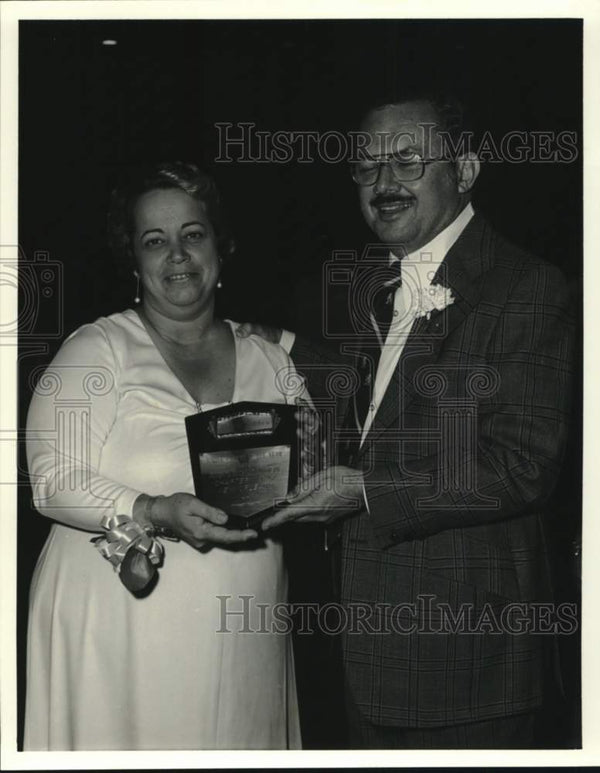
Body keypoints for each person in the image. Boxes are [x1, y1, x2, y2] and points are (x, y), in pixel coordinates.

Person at [240, 94, 575, 748]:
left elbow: (522, 464)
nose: (383, 183)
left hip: (466, 668)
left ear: (467, 170)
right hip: (369, 656)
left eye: (407, 160)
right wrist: (277, 343)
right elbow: (383, 395)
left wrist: (366, 490)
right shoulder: (379, 284)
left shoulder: (528, 287)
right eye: (366, 167)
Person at [24, 162, 304, 750]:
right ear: (133, 259)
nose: (177, 254)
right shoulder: (97, 348)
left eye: (193, 234)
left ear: (220, 248)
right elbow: (49, 480)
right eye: (155, 241)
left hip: (245, 620)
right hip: (121, 619)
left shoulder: (271, 362)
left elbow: (316, 461)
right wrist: (153, 508)